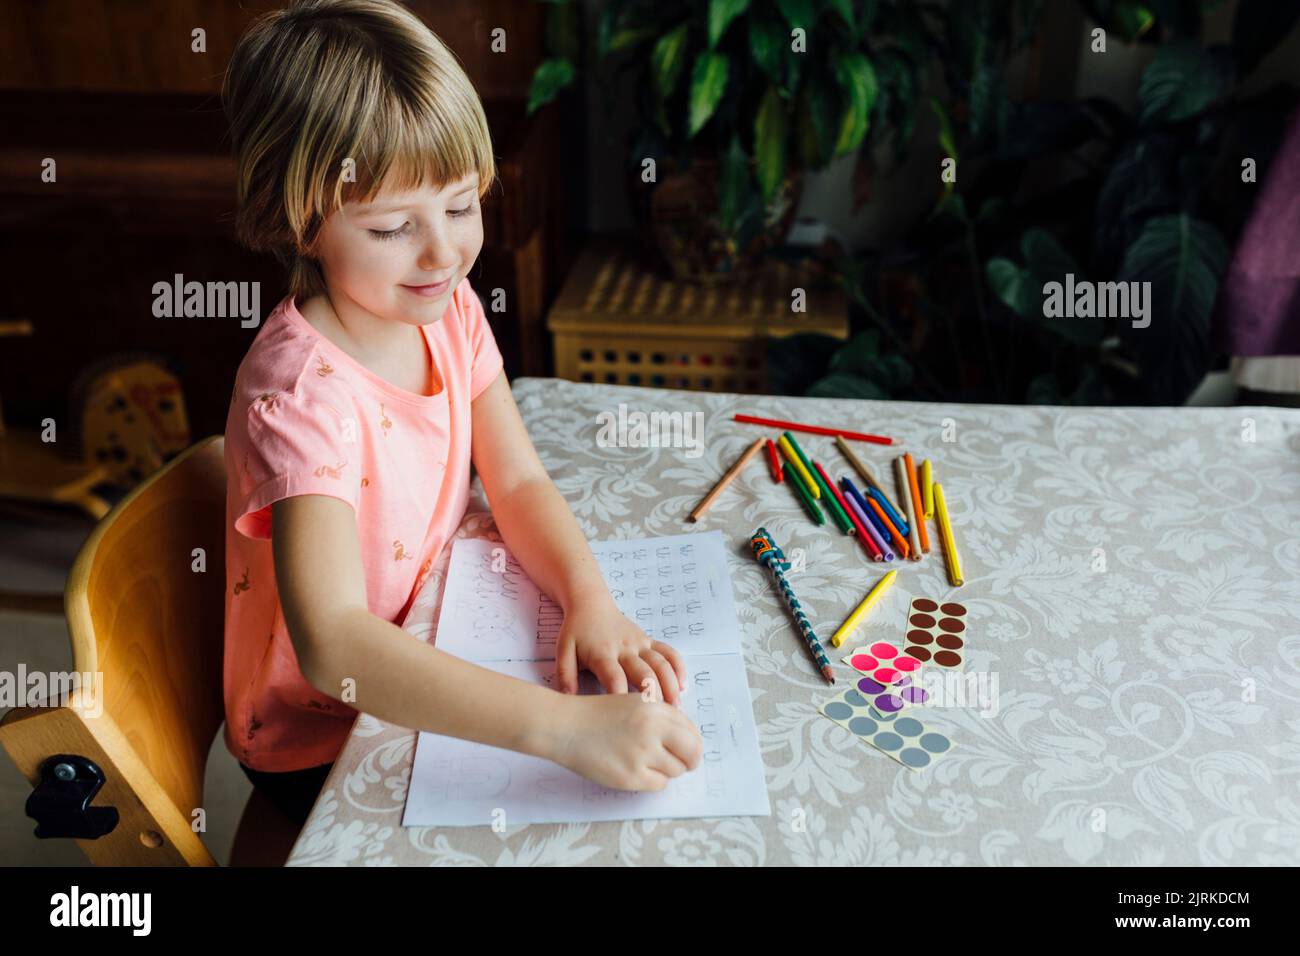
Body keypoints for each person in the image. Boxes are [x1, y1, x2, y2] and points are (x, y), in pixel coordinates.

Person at [220, 0, 701, 826]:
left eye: (460, 205)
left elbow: (514, 478)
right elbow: (333, 643)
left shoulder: (444, 308)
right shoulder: (302, 398)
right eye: (394, 226)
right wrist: (565, 727)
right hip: (327, 740)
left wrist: (590, 600)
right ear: (300, 221)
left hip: (441, 634)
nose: (443, 251)